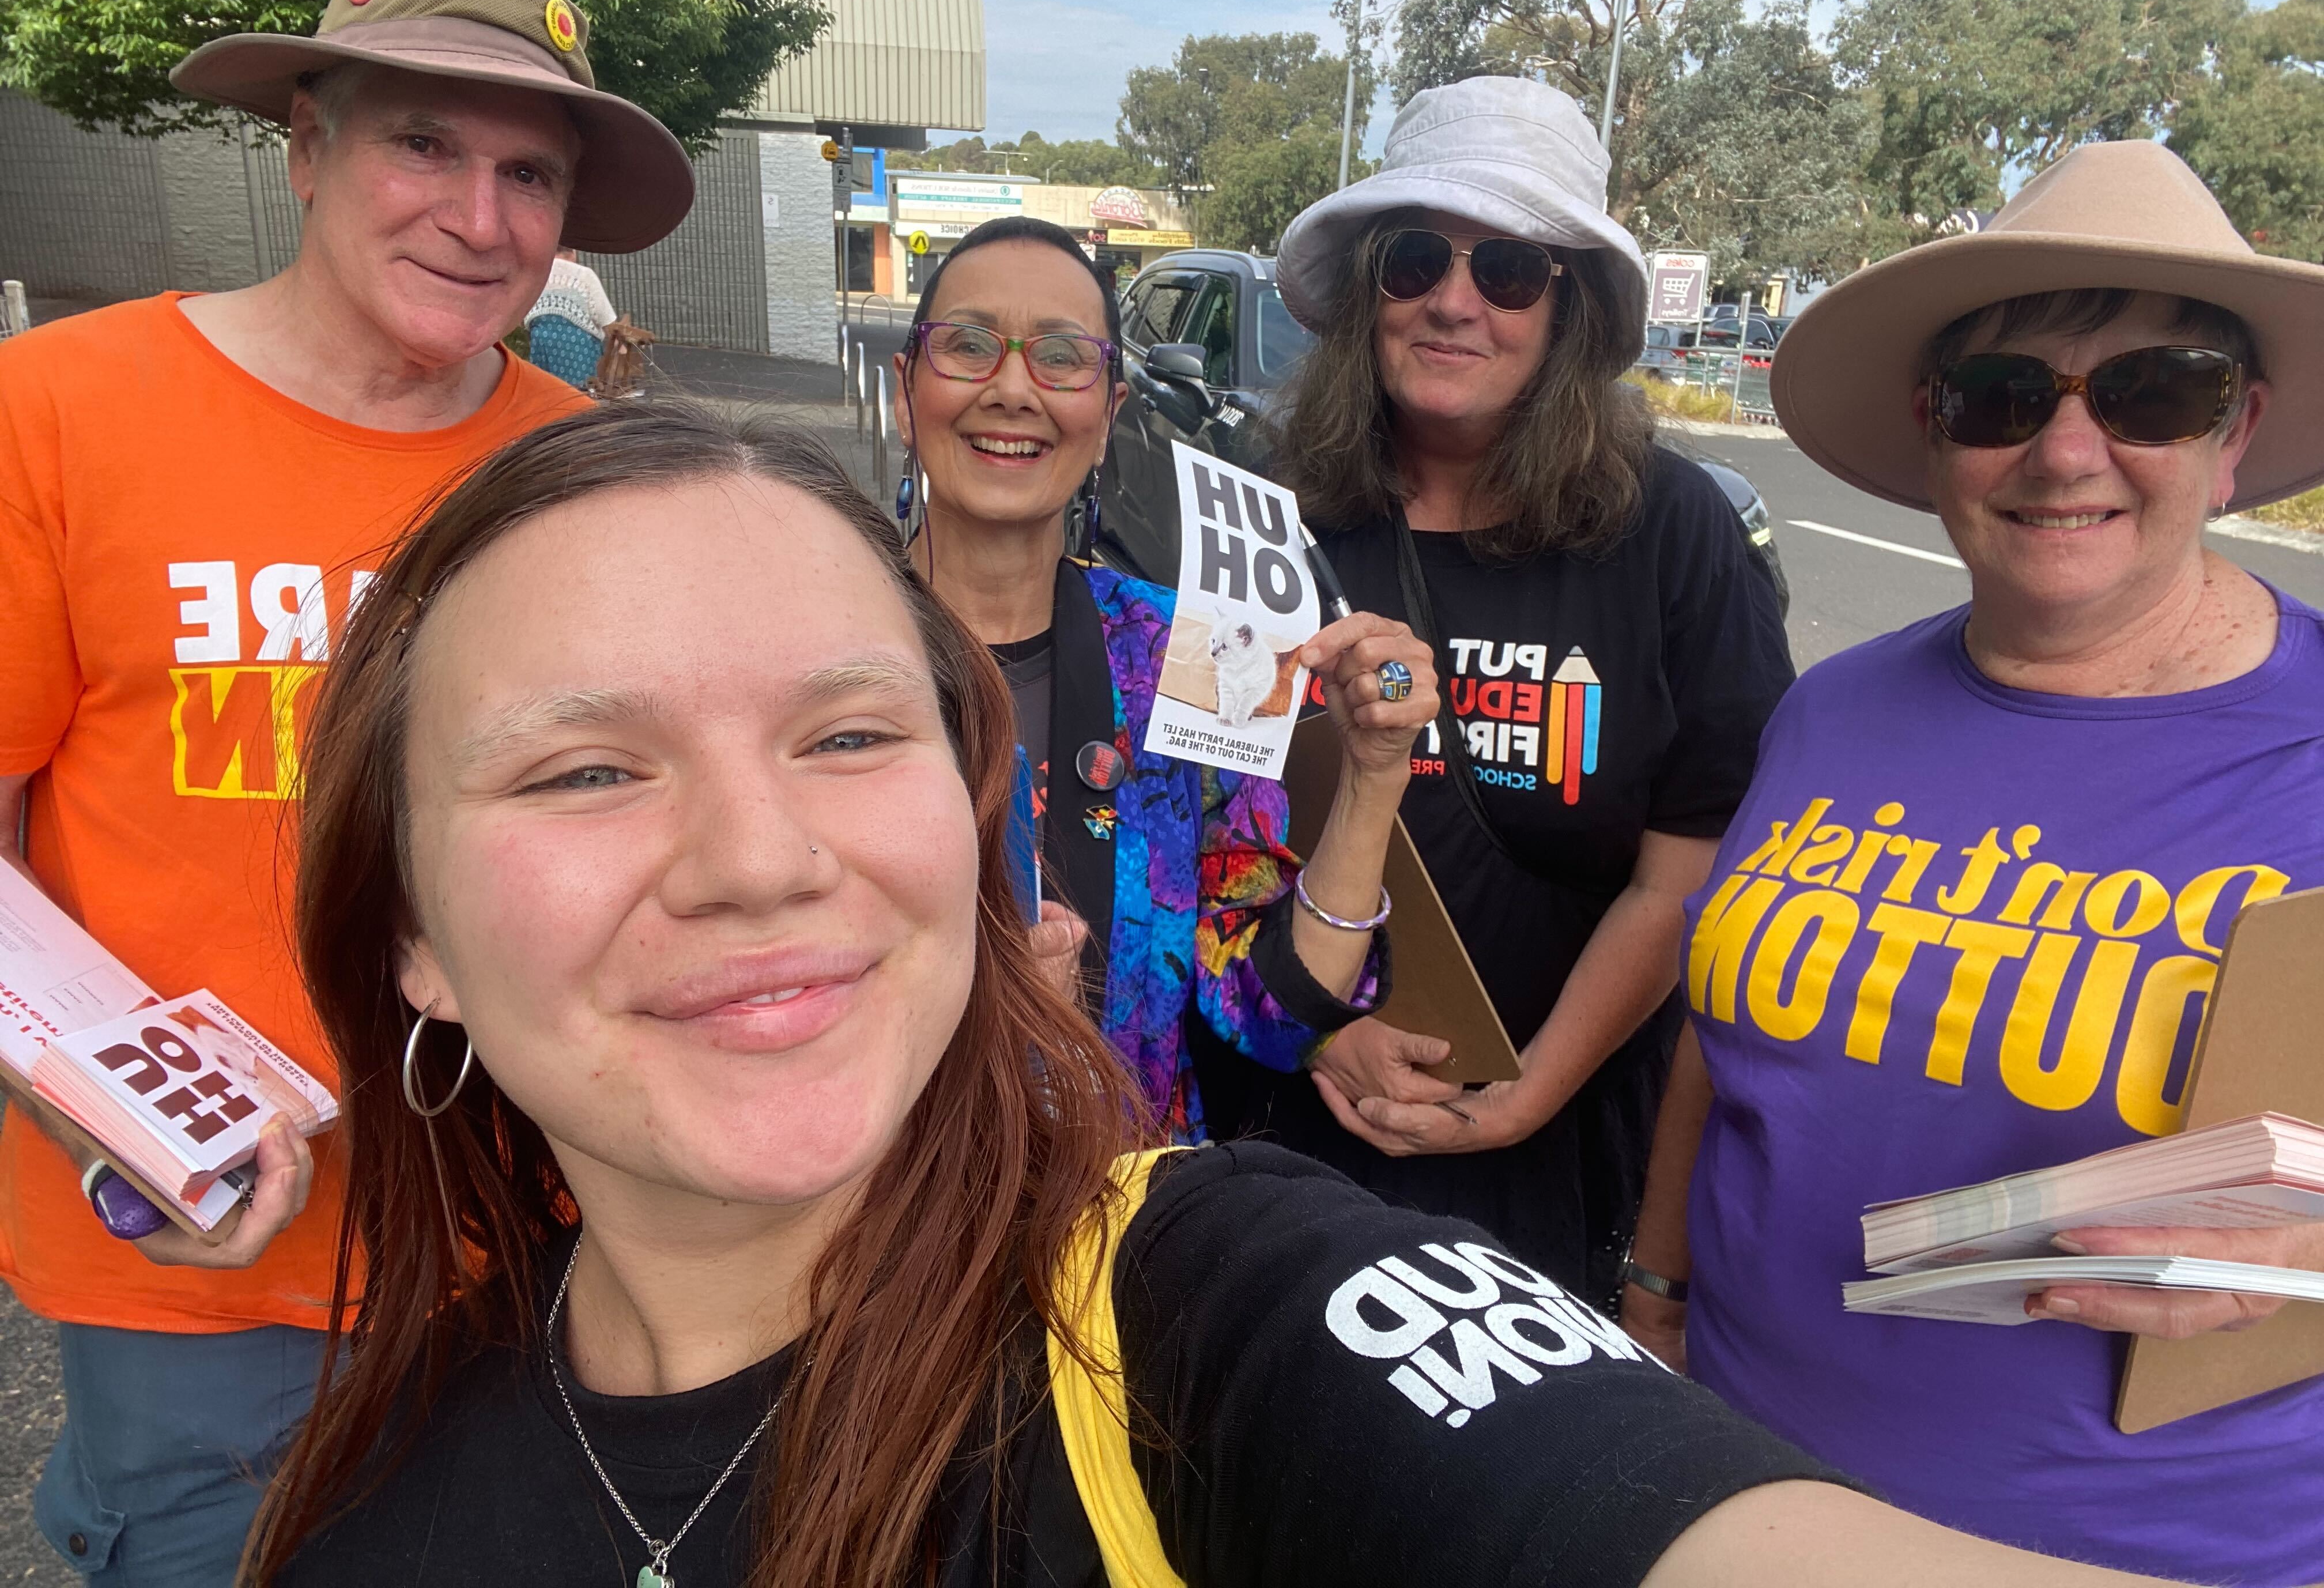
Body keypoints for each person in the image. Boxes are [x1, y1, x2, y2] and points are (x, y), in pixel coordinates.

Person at [247, 400, 2167, 1588]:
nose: (759, 858)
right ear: (407, 924)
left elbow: (1267, 1003)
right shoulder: (373, 1476)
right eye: (587, 767)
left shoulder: (1208, 1321)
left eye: (850, 736)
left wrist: (1380, 783)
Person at [0, 0, 692, 1583]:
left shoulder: (587, 469)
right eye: (423, 144)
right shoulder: (61, 412)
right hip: (203, 1275)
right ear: (306, 148)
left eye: (530, 172)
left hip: (540, 1248)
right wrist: (103, 1114)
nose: (480, 216)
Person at [1621, 140, 2324, 1582]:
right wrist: (1650, 1293)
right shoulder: (1834, 706)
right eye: (2005, 399)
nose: (2068, 453)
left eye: (2153, 391)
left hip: (2139, 1548)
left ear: (2235, 427)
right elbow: (1727, 1034)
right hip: (1740, 1495)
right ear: (1939, 432)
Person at [1195, 76, 1793, 1301]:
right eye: (1417, 260)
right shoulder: (1271, 512)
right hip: (1304, 1128)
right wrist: (1313, 1028)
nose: (1455, 302)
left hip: (1559, 1154)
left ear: (1565, 308)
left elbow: (1690, 879)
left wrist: (1527, 1095)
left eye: (1510, 269)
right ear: (1370, 289)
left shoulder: (1674, 533)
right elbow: (1211, 831)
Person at [888, 215, 1438, 1140]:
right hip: (870, 1232)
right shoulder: (810, 647)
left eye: (1062, 358)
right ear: (907, 393)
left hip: (1123, 1236)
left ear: (1107, 418)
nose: (1013, 387)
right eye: (969, 346)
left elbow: (1274, 1015)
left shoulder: (1190, 650)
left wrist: (1375, 773)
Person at [524, 246, 620, 388]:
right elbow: (604, 316)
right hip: (578, 344)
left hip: (542, 340)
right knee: (582, 394)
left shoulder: (535, 274)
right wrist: (618, 345)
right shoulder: (584, 275)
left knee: (547, 390)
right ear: (574, 253)